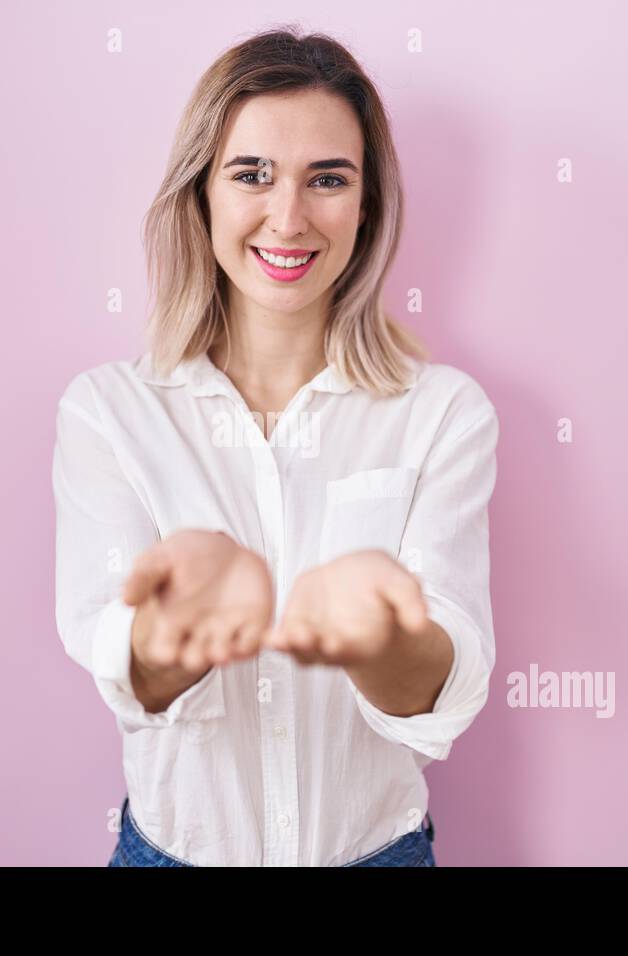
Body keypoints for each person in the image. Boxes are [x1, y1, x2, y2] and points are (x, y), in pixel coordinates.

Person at [52, 25, 499, 867]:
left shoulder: (444, 413)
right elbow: (128, 675)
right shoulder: (108, 413)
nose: (287, 217)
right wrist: (178, 627)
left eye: (327, 179)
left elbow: (444, 684)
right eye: (250, 174)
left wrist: (377, 634)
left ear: (365, 205)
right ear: (203, 194)